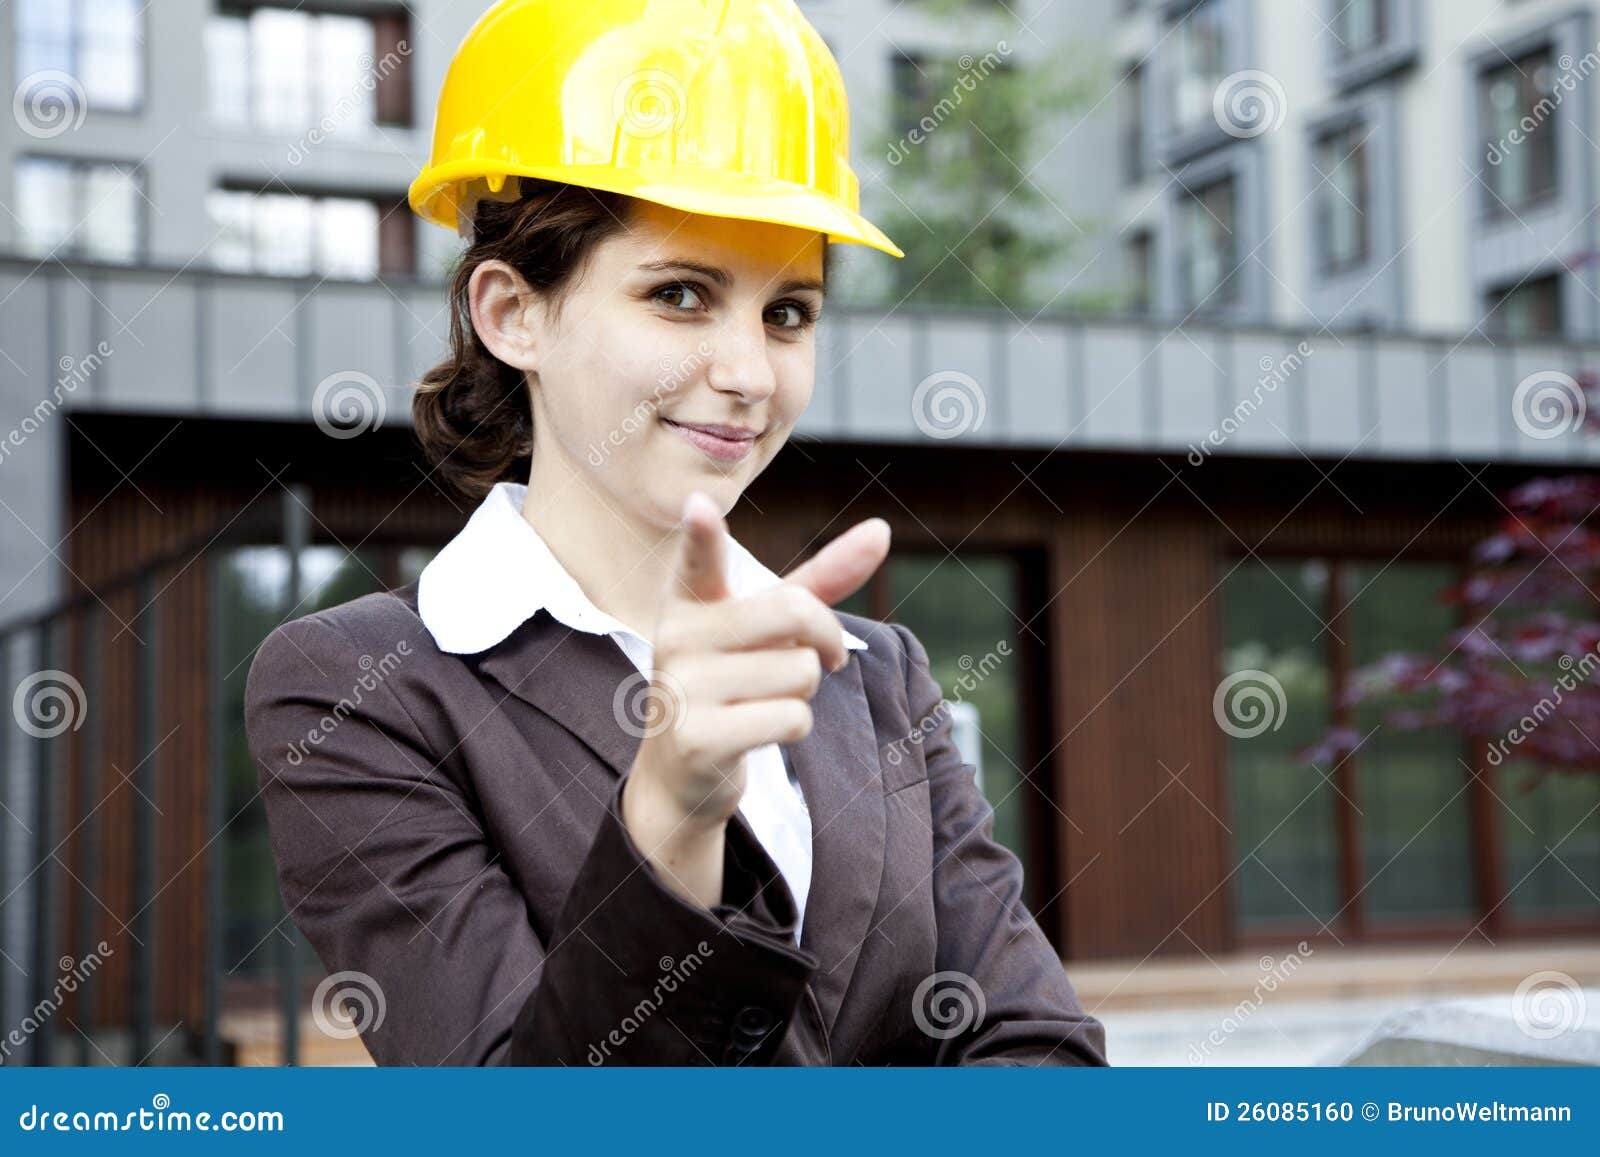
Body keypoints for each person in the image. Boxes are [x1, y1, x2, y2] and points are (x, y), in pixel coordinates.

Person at [244, 0, 1108, 1067]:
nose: (749, 374)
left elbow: (1041, 1050)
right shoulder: (360, 688)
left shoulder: (875, 674)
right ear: (513, 312)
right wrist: (667, 820)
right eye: (682, 293)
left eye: (787, 311)